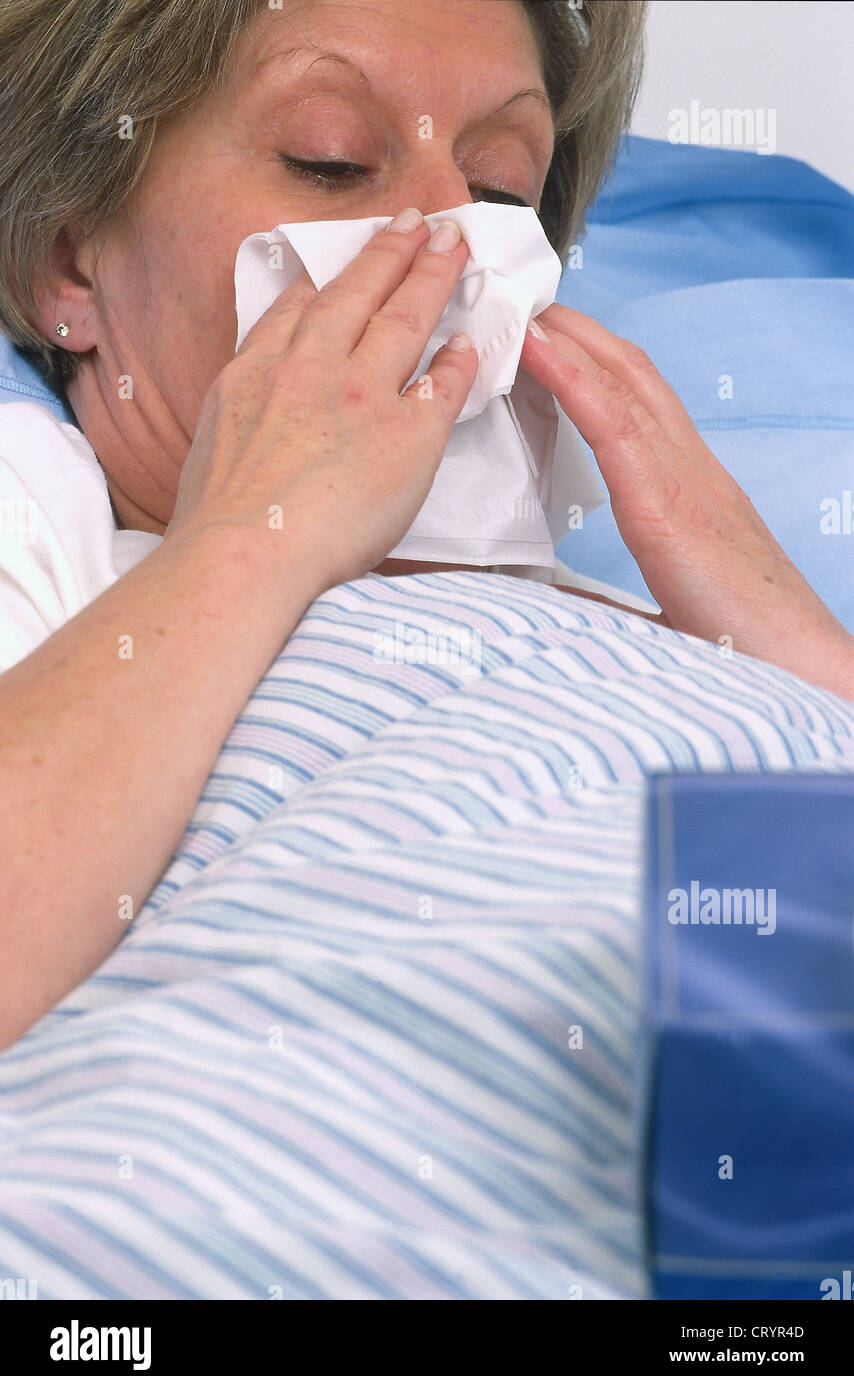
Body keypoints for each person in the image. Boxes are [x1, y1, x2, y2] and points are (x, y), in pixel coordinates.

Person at [0, 0, 850, 1051]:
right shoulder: (41, 525)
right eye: (331, 161)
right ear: (68, 260)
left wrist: (799, 654)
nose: (454, 243)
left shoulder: (640, 604)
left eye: (498, 187)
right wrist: (260, 533)